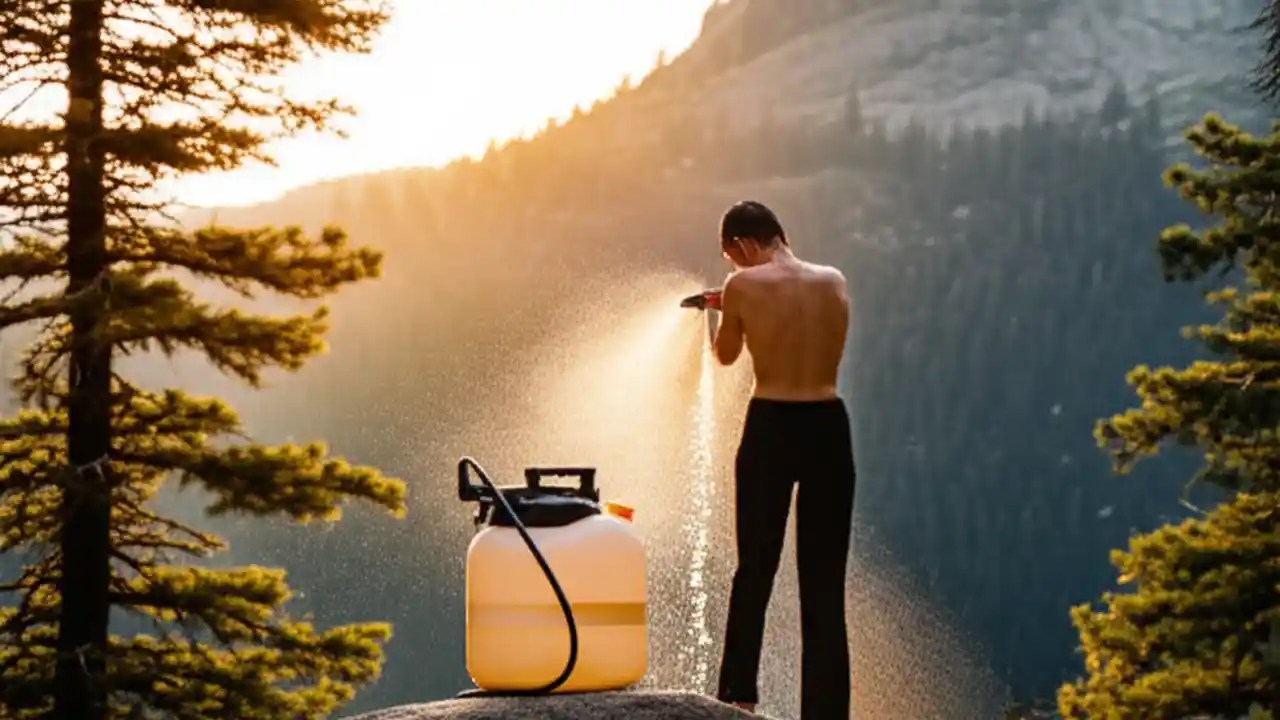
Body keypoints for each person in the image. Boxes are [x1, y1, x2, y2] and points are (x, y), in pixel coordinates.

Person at [699, 200, 856, 719]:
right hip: (830, 425)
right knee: (824, 579)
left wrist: (719, 314)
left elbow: (725, 355)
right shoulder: (833, 280)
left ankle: (738, 697)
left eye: (731, 256)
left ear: (743, 246)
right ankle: (826, 710)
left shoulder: (742, 286)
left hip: (772, 424)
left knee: (756, 568)